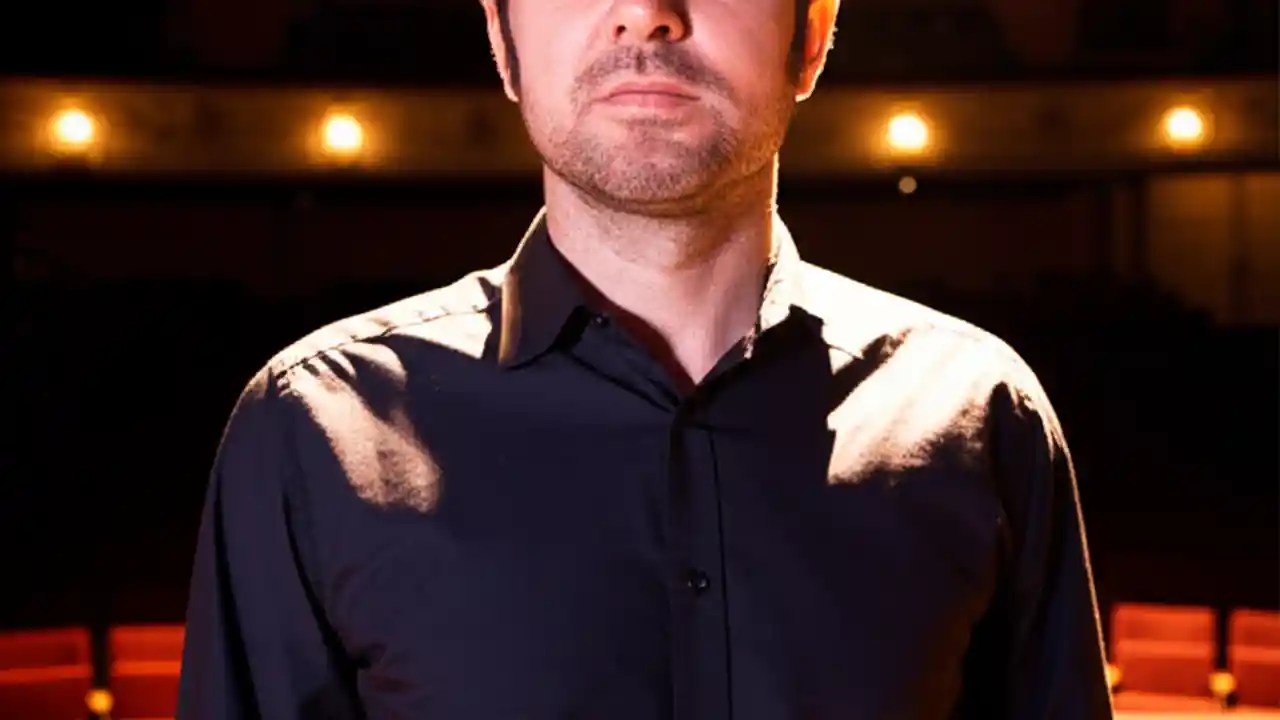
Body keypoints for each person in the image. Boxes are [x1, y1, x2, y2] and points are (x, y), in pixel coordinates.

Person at [178, 0, 1114, 717]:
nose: (648, 10)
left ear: (814, 36)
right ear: (502, 41)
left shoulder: (982, 412)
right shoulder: (311, 428)